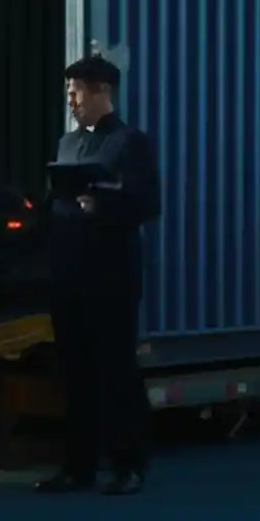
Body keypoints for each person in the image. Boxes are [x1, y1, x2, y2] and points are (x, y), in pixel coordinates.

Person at [34, 54, 160, 496]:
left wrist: (102, 206)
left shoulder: (129, 143)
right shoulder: (67, 144)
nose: (71, 100)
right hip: (69, 272)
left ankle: (129, 465)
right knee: (75, 373)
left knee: (116, 370)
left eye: (78, 91)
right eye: (69, 92)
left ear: (103, 90)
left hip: (112, 275)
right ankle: (78, 466)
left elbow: (148, 203)